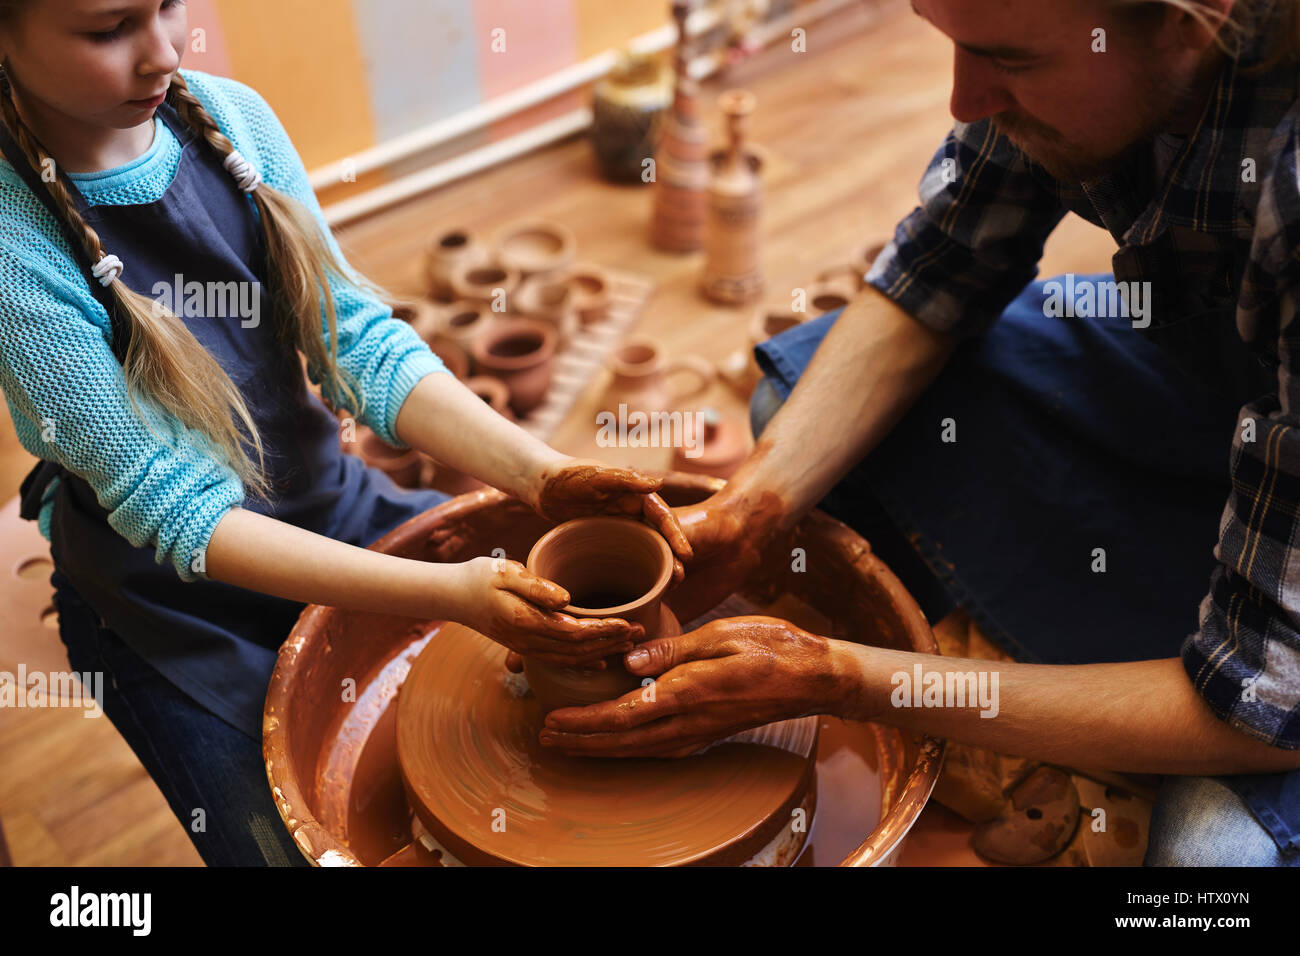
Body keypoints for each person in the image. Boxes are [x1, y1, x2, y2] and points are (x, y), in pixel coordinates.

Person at [539, 0, 1300, 866]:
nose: (963, 99)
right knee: (793, 430)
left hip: (1286, 649)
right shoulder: (1044, 51)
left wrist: (844, 678)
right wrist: (749, 511)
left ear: (1192, 21)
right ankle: (1071, 706)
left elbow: (1265, 709)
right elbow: (935, 271)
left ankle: (1089, 726)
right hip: (1245, 418)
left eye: (1006, 61)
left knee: (1209, 871)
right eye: (951, 47)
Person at [0, 0, 689, 866]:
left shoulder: (231, 118)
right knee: (291, 847)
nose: (163, 52)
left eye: (172, 4)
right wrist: (451, 596)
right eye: (108, 30)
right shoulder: (10, 243)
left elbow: (353, 338)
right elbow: (176, 512)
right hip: (174, 605)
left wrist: (543, 476)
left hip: (331, 508)